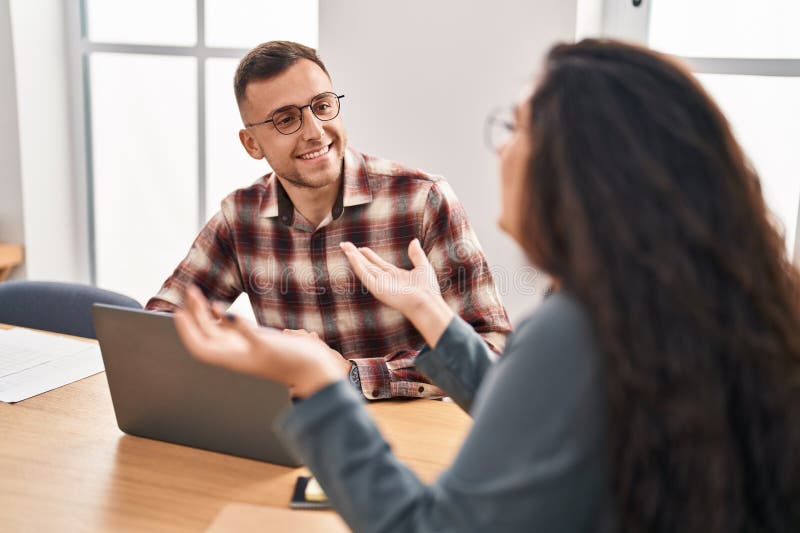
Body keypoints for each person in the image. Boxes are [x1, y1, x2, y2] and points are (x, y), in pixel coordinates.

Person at [172, 39, 800, 533]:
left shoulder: (573, 325)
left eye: (518, 128)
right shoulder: (646, 308)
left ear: (584, 171)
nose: (500, 149)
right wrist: (431, 315)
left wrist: (320, 378)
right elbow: (533, 409)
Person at [146, 41, 511, 400]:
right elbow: (158, 330)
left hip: (409, 438)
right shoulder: (240, 217)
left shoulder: (422, 199)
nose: (315, 131)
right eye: (286, 119)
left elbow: (491, 351)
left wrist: (352, 375)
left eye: (322, 106)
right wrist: (243, 355)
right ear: (252, 144)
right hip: (298, 437)